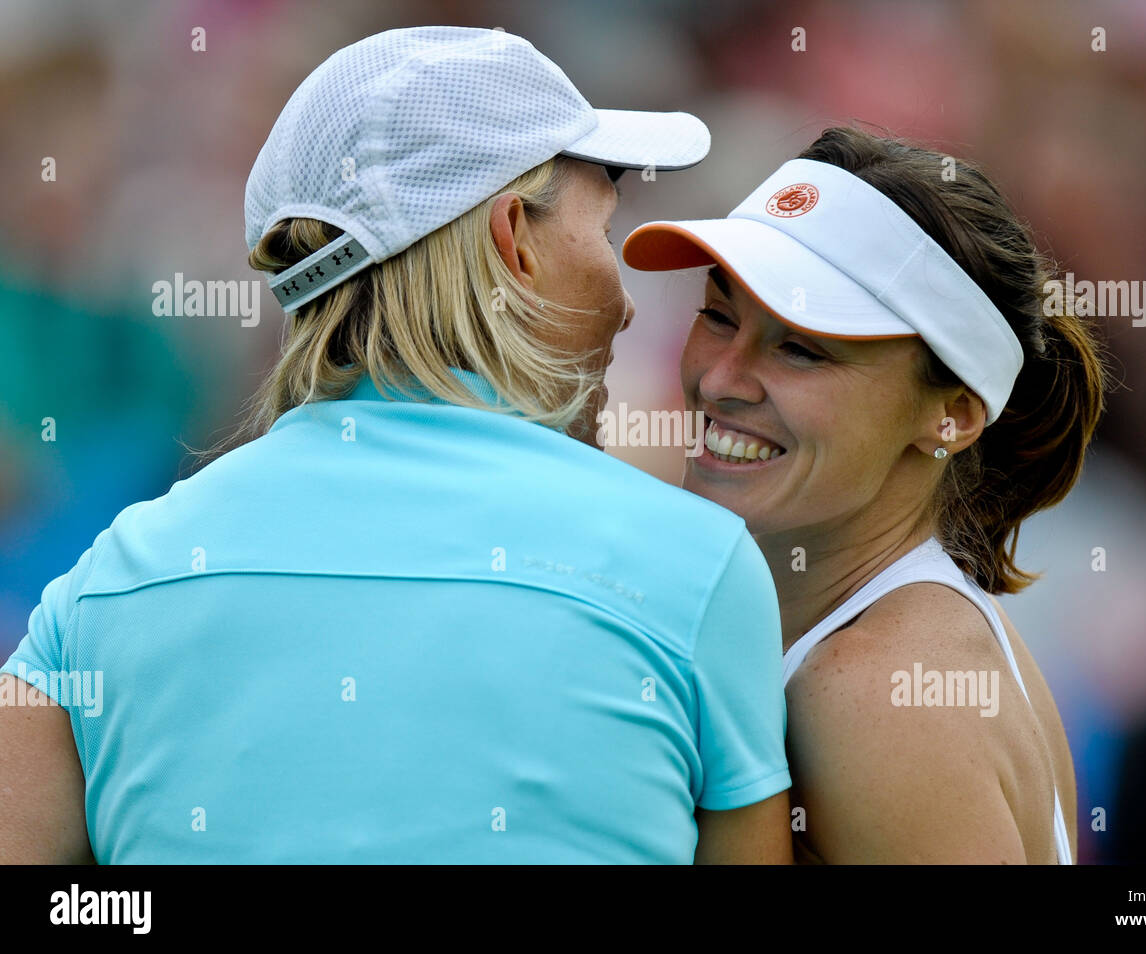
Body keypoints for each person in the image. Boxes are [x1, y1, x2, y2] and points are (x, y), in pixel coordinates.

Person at [0, 27, 791, 865]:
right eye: (604, 234)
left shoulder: (100, 587)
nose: (629, 308)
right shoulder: (699, 566)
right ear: (513, 237)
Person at [624, 126, 1109, 863]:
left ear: (953, 414)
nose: (720, 378)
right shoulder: (890, 651)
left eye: (800, 347)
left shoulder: (875, 692)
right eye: (718, 315)